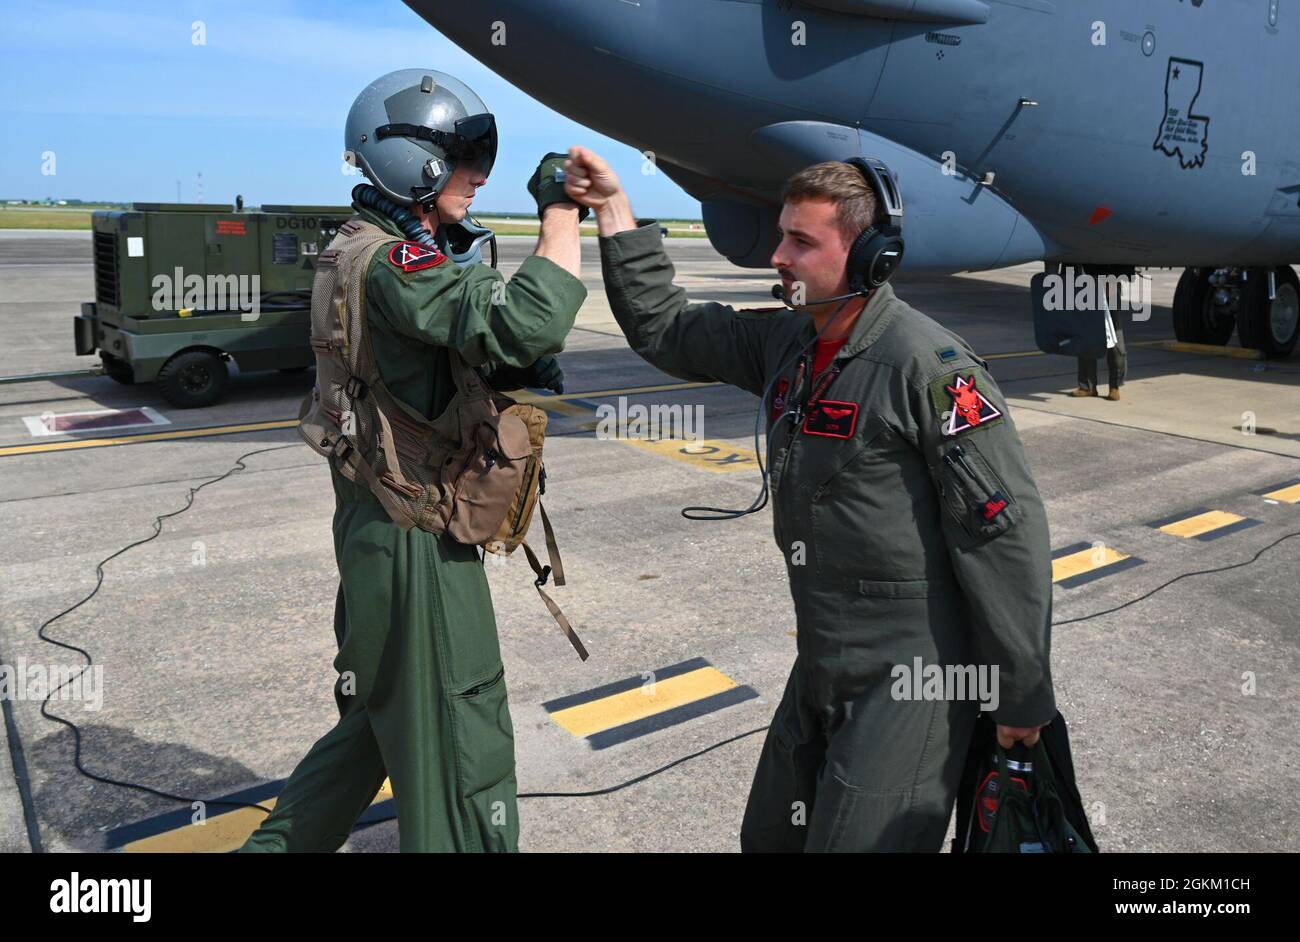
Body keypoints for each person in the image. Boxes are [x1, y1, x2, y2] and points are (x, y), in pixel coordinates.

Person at [565, 147, 1056, 852]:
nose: (778, 256)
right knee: (771, 838)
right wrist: (613, 211)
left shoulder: (928, 368)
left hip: (911, 670)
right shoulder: (791, 341)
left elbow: (1003, 534)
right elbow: (665, 329)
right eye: (781, 236)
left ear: (869, 259)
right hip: (823, 655)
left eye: (801, 241)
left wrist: (1022, 693)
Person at [239, 70, 587, 853]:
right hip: (416, 549)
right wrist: (562, 210)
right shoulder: (396, 265)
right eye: (465, 156)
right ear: (408, 164)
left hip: (372, 534)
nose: (480, 174)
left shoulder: (357, 247)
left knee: (371, 729)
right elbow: (524, 325)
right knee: (463, 751)